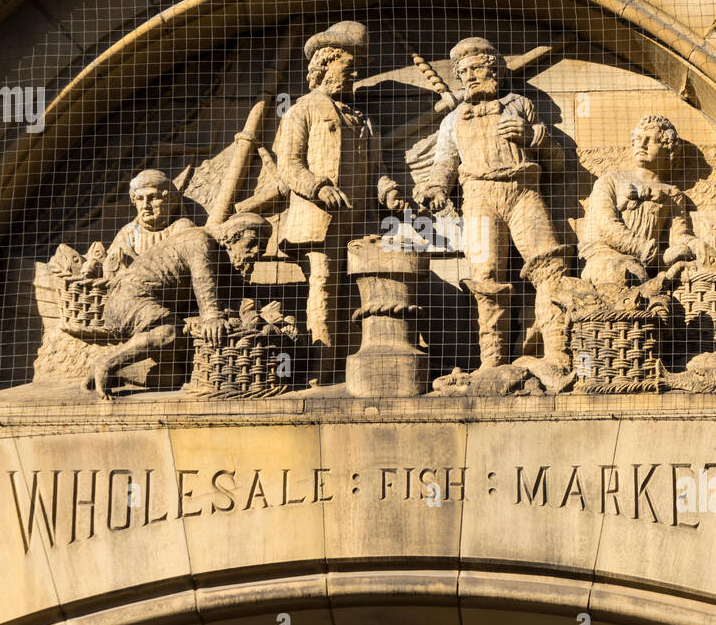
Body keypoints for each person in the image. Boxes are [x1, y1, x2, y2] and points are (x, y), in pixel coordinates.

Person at [413, 37, 569, 371]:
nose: (468, 76)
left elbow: (558, 164)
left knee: (550, 267)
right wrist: (437, 188)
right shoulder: (452, 121)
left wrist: (532, 136)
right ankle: (492, 364)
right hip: (479, 198)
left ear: (493, 69)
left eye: (475, 68)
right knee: (485, 277)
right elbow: (444, 164)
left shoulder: (519, 106)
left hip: (523, 191)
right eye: (462, 72)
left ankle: (556, 352)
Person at [273, 20, 403, 386]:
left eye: (357, 69)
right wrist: (317, 187)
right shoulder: (303, 109)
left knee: (359, 289)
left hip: (359, 220)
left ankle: (354, 364)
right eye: (348, 68)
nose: (354, 76)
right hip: (319, 219)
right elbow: (288, 163)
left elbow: (376, 169)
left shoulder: (363, 119)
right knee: (325, 287)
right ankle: (322, 370)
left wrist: (389, 192)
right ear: (324, 66)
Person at [88, 213, 271, 399]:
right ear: (231, 237)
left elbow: (233, 296)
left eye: (262, 248)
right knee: (169, 332)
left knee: (172, 377)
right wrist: (211, 316)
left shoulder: (224, 258)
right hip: (130, 296)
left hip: (151, 305)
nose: (256, 252)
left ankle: (112, 371)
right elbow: (202, 281)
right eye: (251, 243)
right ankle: (107, 363)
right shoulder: (201, 240)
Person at [579, 113, 716, 286]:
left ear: (667, 149)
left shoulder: (672, 194)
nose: (642, 144)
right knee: (631, 275)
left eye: (650, 140)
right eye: (638, 138)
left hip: (646, 265)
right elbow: (606, 226)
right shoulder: (611, 180)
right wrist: (650, 251)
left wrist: (697, 246)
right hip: (603, 258)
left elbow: (679, 236)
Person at [104, 169, 194, 276]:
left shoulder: (182, 228)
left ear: (171, 199)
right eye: (140, 199)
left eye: (153, 198)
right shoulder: (128, 233)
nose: (145, 205)